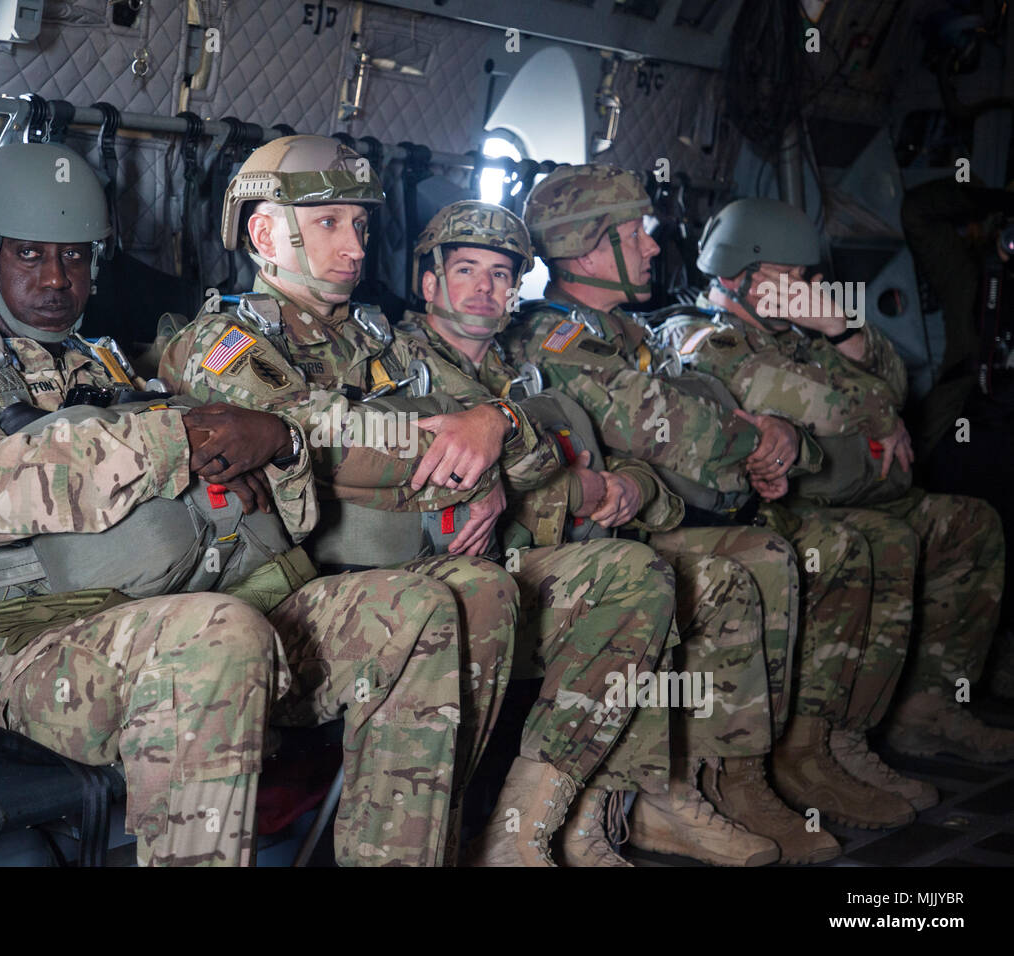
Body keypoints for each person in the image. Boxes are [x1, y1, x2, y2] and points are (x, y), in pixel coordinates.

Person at [0, 141, 478, 867]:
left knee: (415, 612)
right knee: (216, 633)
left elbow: (276, 509)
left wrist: (276, 441)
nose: (58, 278)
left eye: (77, 257)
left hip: (158, 606)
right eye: (30, 255)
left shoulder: (111, 366)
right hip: (3, 654)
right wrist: (174, 438)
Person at [159, 137, 685, 867]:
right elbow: (326, 440)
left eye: (362, 226)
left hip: (406, 569)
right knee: (466, 595)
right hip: (287, 593)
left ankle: (501, 834)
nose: (354, 246)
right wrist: (461, 453)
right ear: (264, 233)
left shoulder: (380, 338)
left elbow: (525, 447)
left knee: (558, 580)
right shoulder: (221, 341)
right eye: (329, 223)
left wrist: (493, 426)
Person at [509, 165, 925, 858]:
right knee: (749, 562)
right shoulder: (555, 338)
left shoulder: (625, 333)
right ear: (585, 250)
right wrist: (764, 440)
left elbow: (708, 407)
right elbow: (674, 425)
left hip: (664, 517)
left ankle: (744, 772)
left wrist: (777, 437)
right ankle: (671, 791)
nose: (651, 248)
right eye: (634, 234)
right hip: (607, 540)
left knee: (770, 554)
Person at [691, 195, 1012, 764]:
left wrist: (842, 332)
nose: (809, 286)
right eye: (794, 275)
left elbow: (896, 381)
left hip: (855, 495)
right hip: (793, 511)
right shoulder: (711, 341)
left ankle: (927, 708)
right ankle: (826, 742)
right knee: (883, 541)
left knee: (969, 523)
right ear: (747, 275)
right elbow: (829, 406)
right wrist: (876, 408)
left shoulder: (794, 334)